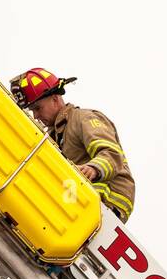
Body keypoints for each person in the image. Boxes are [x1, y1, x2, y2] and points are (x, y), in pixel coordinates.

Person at [11, 68, 135, 222]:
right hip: (79, 202)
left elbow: (111, 153)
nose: (35, 116)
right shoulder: (54, 136)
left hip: (109, 199)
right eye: (32, 110)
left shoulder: (83, 118)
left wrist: (94, 168)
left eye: (38, 108)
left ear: (55, 99)